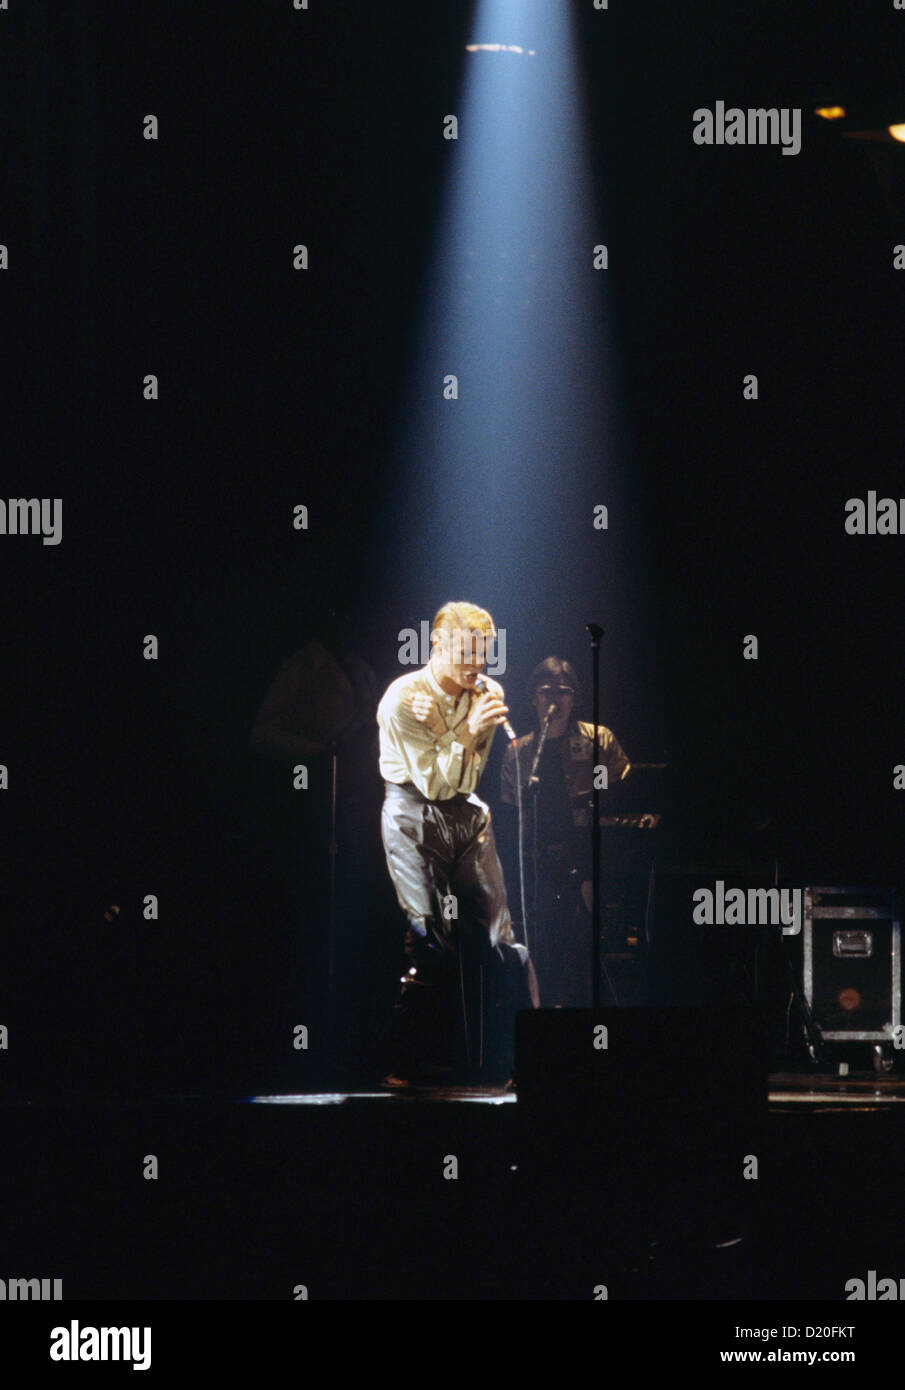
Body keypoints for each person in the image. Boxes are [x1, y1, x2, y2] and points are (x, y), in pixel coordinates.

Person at [377, 601, 539, 1087]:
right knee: (431, 937)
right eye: (466, 653)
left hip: (466, 813)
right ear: (438, 646)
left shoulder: (487, 692)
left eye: (483, 655)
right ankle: (404, 1061)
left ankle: (524, 1057)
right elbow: (430, 784)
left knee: (498, 936)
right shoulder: (403, 698)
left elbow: (466, 776)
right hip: (413, 814)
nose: (476, 665)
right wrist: (464, 731)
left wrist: (450, 732)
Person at [500, 656, 630, 1005]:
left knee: (584, 959)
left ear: (575, 698)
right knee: (544, 959)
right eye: (546, 692)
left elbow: (623, 797)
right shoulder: (519, 753)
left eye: (564, 691)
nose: (555, 700)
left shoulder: (598, 741)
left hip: (588, 862)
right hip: (541, 870)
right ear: (533, 698)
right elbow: (510, 821)